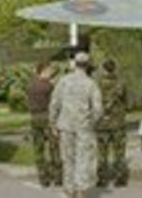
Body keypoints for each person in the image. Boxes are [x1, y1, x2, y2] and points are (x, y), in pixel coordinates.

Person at [50, 52, 103, 198]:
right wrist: (91, 123)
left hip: (65, 125)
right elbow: (98, 109)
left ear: (75, 64)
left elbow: (54, 103)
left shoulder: (63, 81)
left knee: (68, 158)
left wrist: (53, 123)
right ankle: (81, 189)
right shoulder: (91, 84)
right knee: (83, 158)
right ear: (87, 65)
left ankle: (69, 189)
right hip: (83, 127)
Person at [96, 59, 129, 187]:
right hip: (118, 122)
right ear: (114, 69)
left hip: (102, 122)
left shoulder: (97, 84)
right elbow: (126, 101)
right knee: (119, 151)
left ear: (104, 69)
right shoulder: (121, 83)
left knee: (102, 151)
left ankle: (102, 178)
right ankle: (120, 178)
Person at [27, 62, 61, 187]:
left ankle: (43, 176)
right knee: (54, 147)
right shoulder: (49, 86)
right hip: (48, 117)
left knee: (39, 148)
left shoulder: (30, 86)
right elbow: (55, 103)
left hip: (34, 117)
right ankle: (57, 176)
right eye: (49, 71)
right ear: (44, 71)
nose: (51, 73)